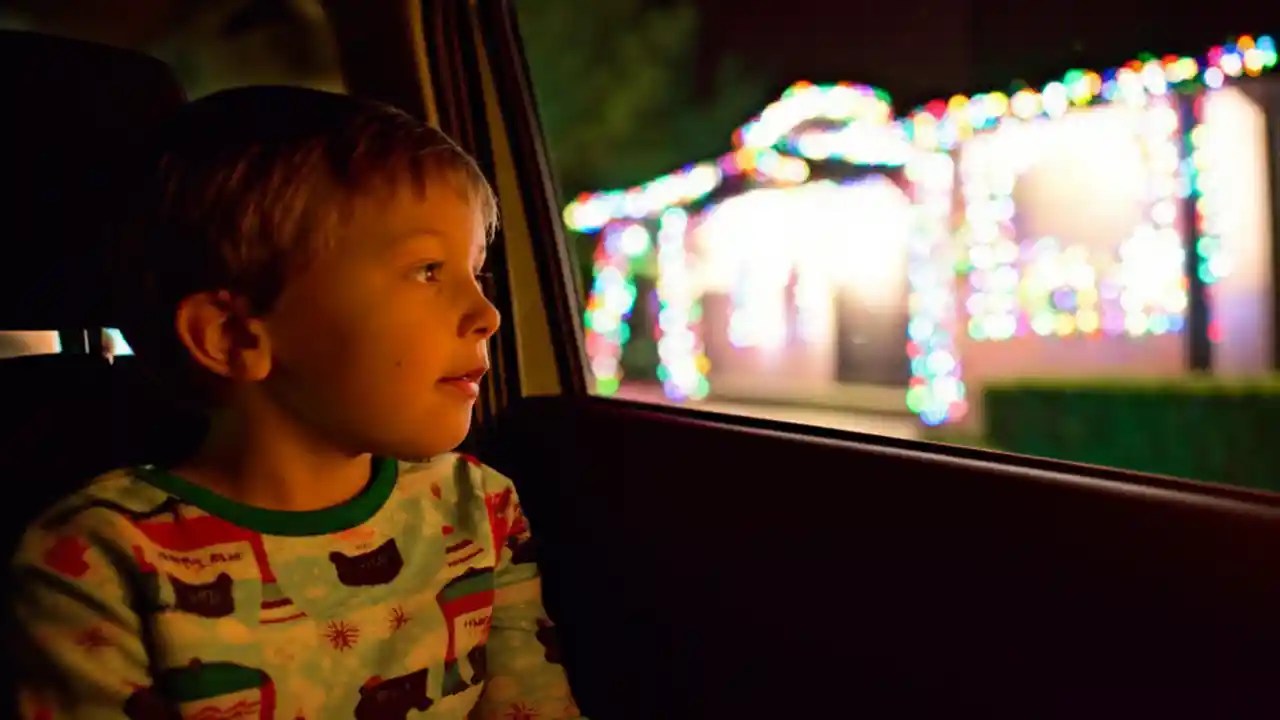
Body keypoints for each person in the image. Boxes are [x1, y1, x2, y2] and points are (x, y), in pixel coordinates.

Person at [9, 86, 583, 719]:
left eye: (477, 273)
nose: (487, 314)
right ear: (233, 338)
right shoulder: (99, 560)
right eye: (427, 270)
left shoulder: (479, 510)